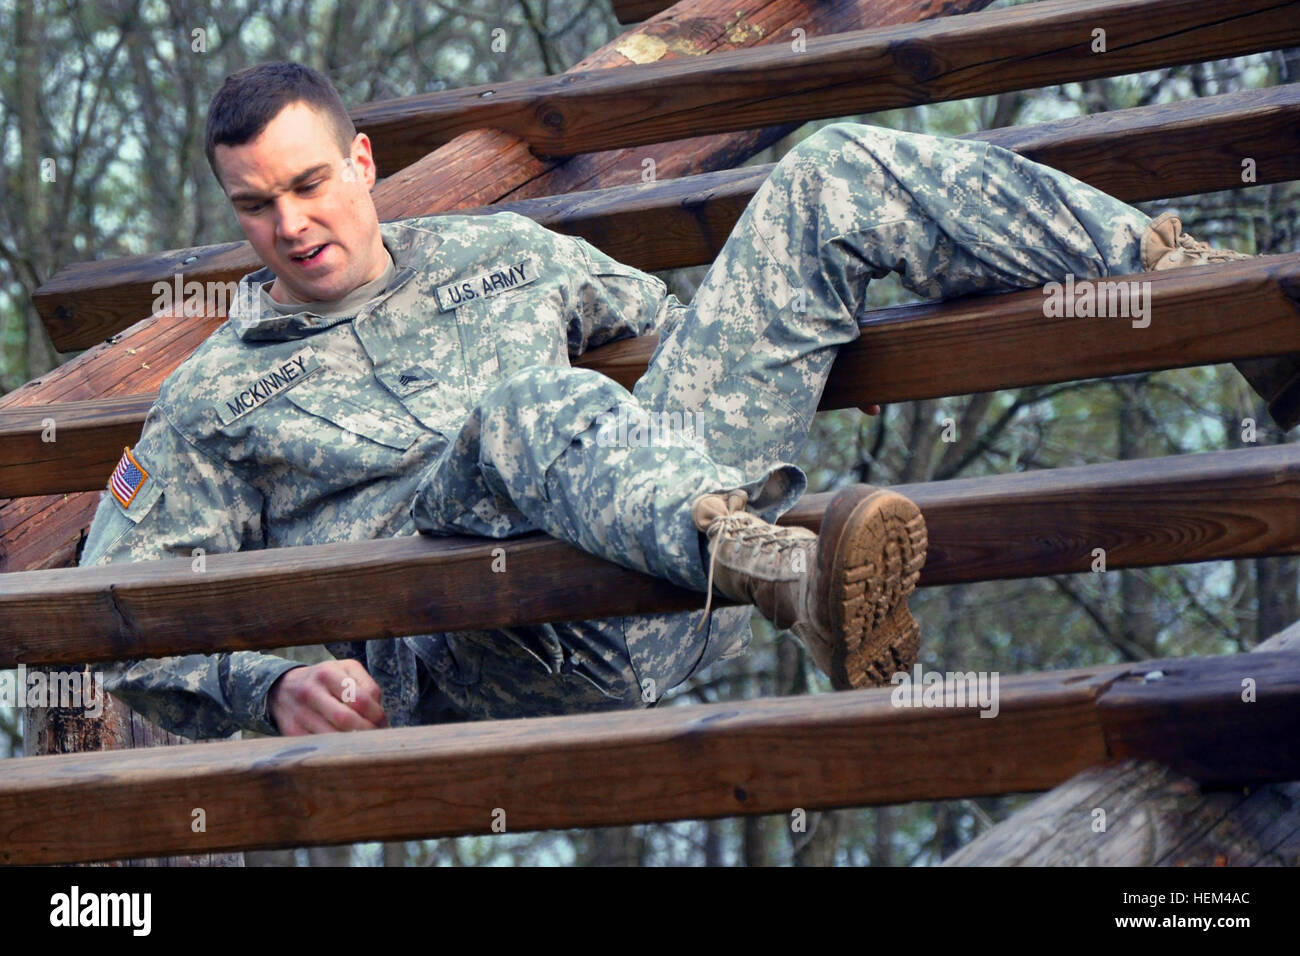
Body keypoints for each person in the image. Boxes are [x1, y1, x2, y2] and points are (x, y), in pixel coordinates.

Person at [78, 61, 1287, 739]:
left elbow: (666, 333)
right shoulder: (218, 396)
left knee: (825, 175)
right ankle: (790, 571)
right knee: (522, 415)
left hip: (670, 552)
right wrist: (268, 682)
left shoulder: (498, 254)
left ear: (362, 164)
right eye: (252, 205)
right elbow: (116, 610)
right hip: (499, 637)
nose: (288, 225)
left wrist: (779, 343)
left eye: (305, 185)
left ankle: (1207, 295)